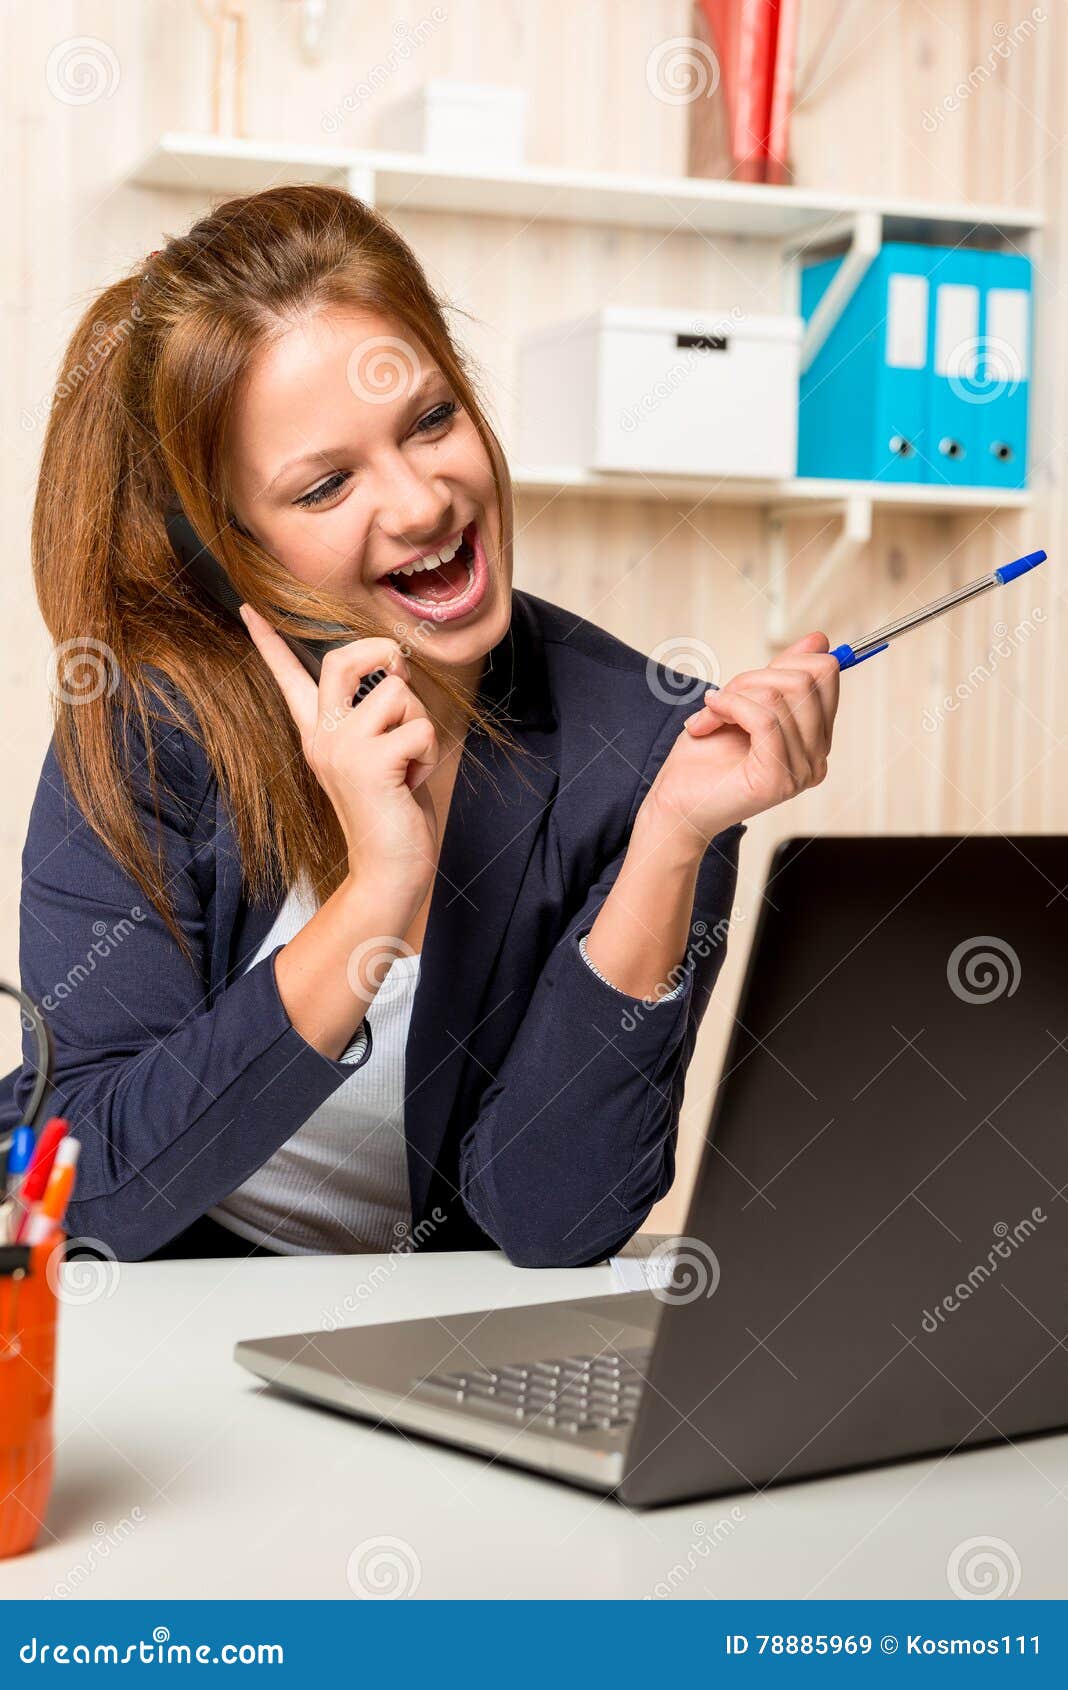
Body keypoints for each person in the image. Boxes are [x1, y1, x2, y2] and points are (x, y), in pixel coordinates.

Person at [0, 185, 839, 1264]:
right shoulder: (145, 718)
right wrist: (375, 903)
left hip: (404, 1343)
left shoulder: (648, 748)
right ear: (229, 544)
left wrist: (673, 839)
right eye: (326, 485)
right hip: (154, 1312)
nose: (420, 503)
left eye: (431, 419)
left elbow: (545, 1220)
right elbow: (93, 1191)